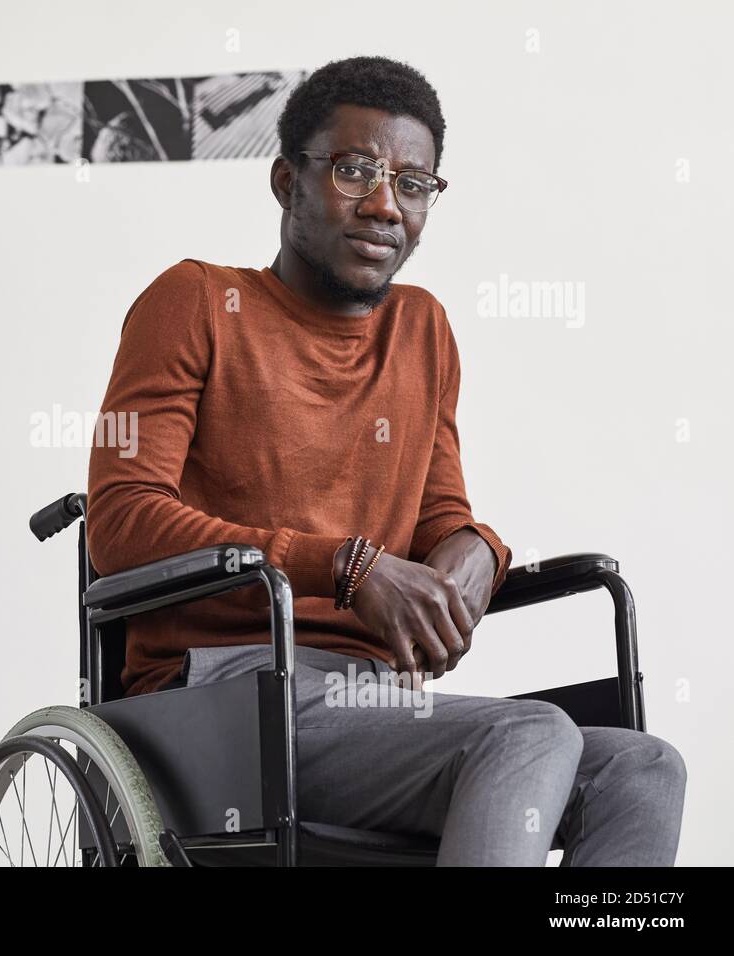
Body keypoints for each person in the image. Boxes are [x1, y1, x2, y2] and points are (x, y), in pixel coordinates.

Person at [84, 55, 686, 865]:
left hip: (378, 706)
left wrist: (478, 550)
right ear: (285, 180)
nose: (384, 205)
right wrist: (347, 568)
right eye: (355, 170)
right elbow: (121, 524)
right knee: (530, 735)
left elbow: (440, 512)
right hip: (221, 699)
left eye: (413, 182)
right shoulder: (193, 302)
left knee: (642, 769)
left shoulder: (422, 329)